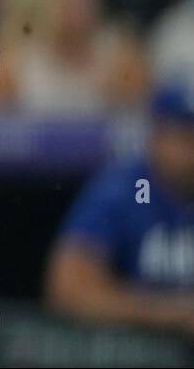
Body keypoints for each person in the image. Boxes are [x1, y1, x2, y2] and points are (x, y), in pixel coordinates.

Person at [45, 81, 194, 338]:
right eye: (185, 137)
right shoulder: (123, 188)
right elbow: (68, 290)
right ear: (156, 136)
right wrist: (172, 314)